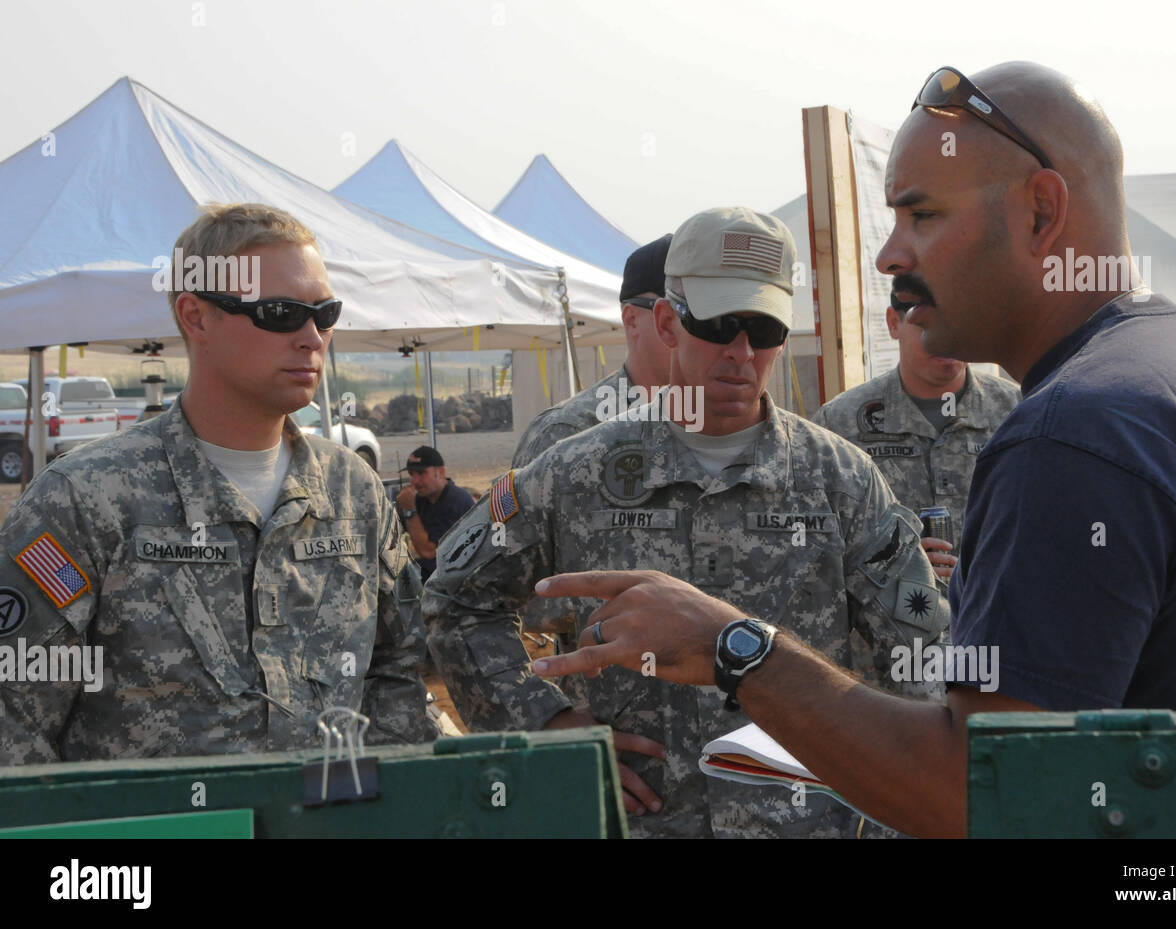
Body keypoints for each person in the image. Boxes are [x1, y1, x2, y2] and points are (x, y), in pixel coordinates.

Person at [529, 63, 1176, 838]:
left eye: (922, 214)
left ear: (1042, 210)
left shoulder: (1075, 433)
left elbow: (977, 794)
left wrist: (733, 646)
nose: (889, 257)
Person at [426, 207, 947, 838]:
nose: (742, 353)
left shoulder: (842, 481)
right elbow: (456, 602)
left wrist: (893, 810)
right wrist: (546, 724)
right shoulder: (578, 471)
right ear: (669, 323)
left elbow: (919, 659)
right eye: (720, 324)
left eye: (764, 329)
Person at [0, 202, 438, 765]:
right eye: (280, 313)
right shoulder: (84, 499)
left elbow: (396, 671)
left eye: (323, 313)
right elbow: (14, 725)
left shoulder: (353, 491)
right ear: (196, 316)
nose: (312, 337)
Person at [813, 295, 1020, 581]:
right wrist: (887, 563)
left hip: (993, 618)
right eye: (928, 323)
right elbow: (813, 547)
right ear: (892, 322)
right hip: (885, 622)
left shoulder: (1019, 413)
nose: (946, 337)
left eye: (960, 321)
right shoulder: (839, 424)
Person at [511, 234, 674, 468]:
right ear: (632, 320)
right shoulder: (566, 434)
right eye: (678, 312)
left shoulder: (722, 425)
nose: (698, 328)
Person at [395, 445, 475, 582]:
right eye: (411, 474)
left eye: (421, 473)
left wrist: (409, 510)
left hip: (456, 579)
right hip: (429, 575)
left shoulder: (456, 501)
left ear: (441, 472)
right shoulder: (420, 498)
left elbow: (430, 552)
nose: (415, 481)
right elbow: (393, 526)